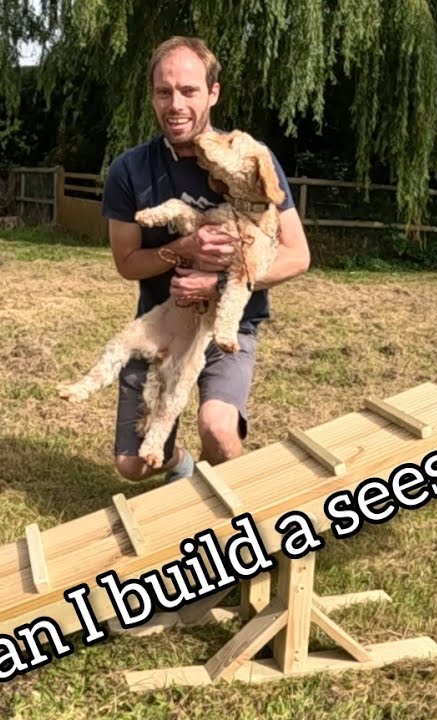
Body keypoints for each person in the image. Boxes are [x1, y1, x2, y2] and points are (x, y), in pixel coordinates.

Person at [99, 36, 311, 483]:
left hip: (228, 326)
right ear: (153, 96)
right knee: (132, 466)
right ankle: (180, 465)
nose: (175, 104)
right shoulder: (129, 170)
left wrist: (217, 286)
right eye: (164, 92)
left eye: (189, 91)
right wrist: (182, 250)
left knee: (218, 429)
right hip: (166, 322)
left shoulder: (251, 159)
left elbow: (298, 256)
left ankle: (250, 522)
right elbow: (127, 263)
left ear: (213, 93)